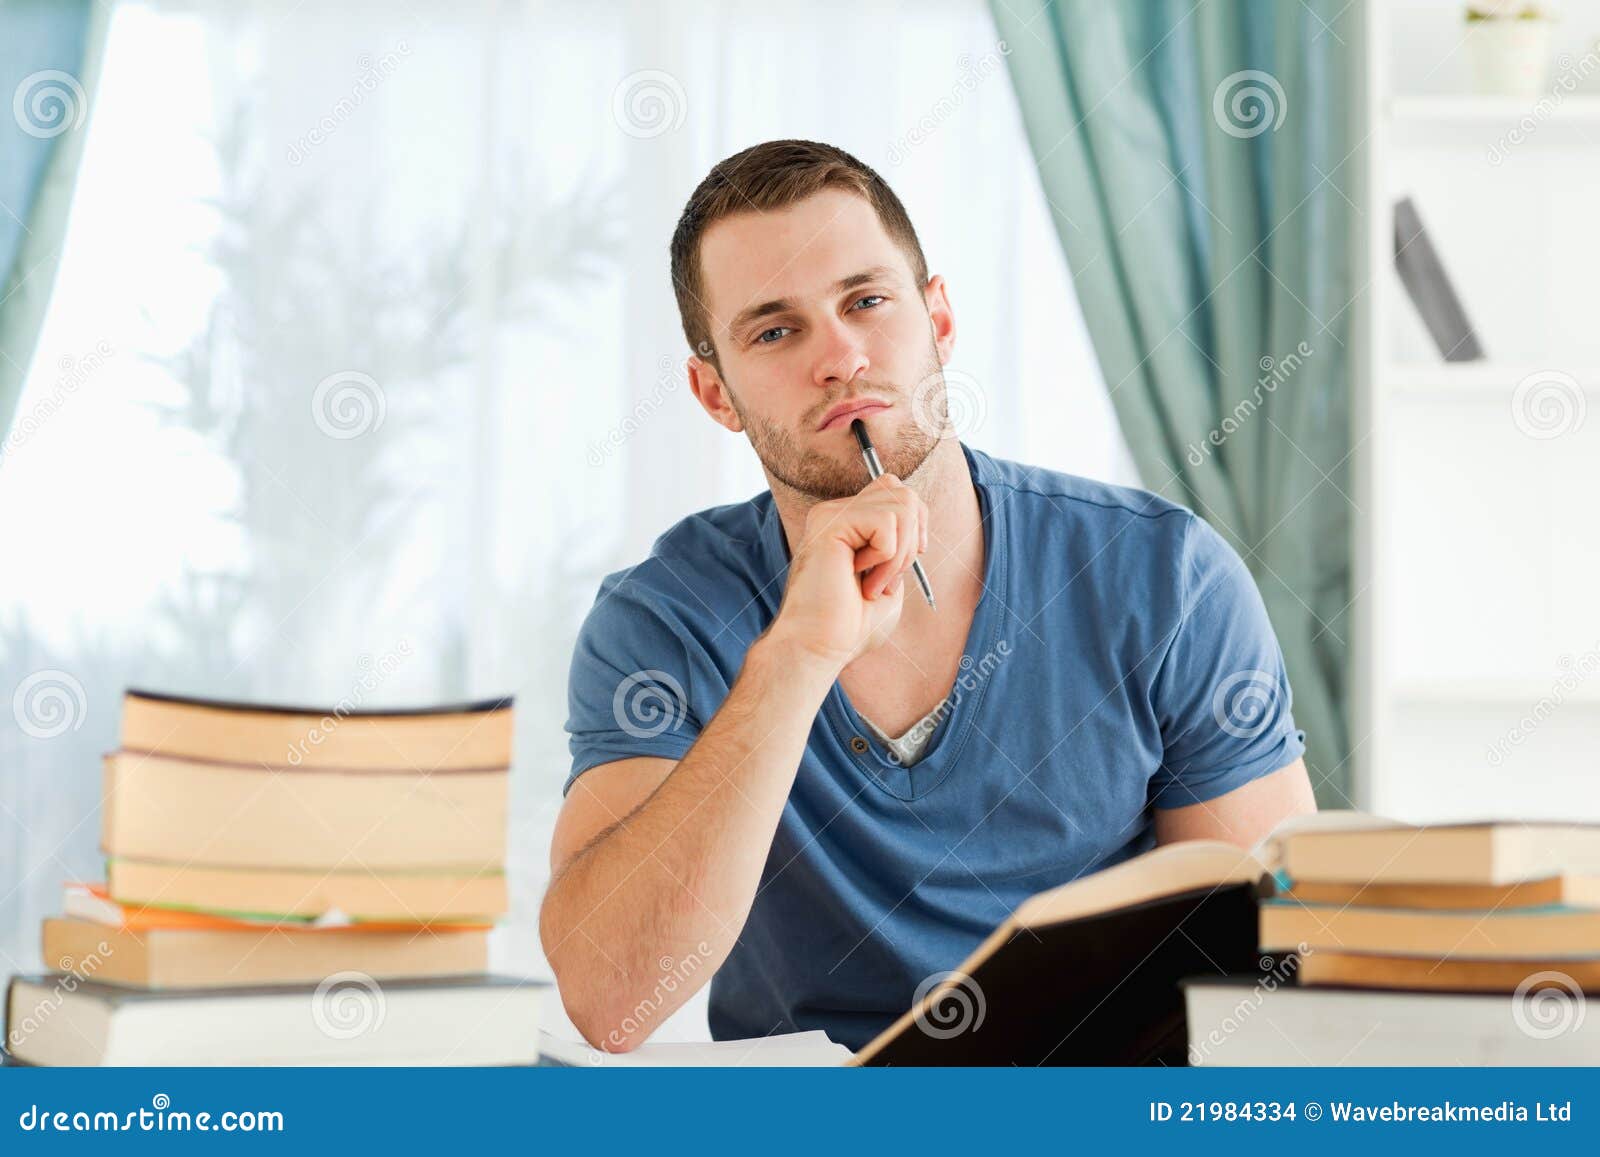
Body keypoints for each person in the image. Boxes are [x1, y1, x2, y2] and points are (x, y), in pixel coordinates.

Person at [540, 139, 1315, 1053]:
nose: (841, 357)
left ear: (938, 319)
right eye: (775, 331)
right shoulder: (661, 617)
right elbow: (610, 997)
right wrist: (796, 658)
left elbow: (1287, 970)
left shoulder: (1164, 577)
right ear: (716, 393)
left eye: (867, 301)